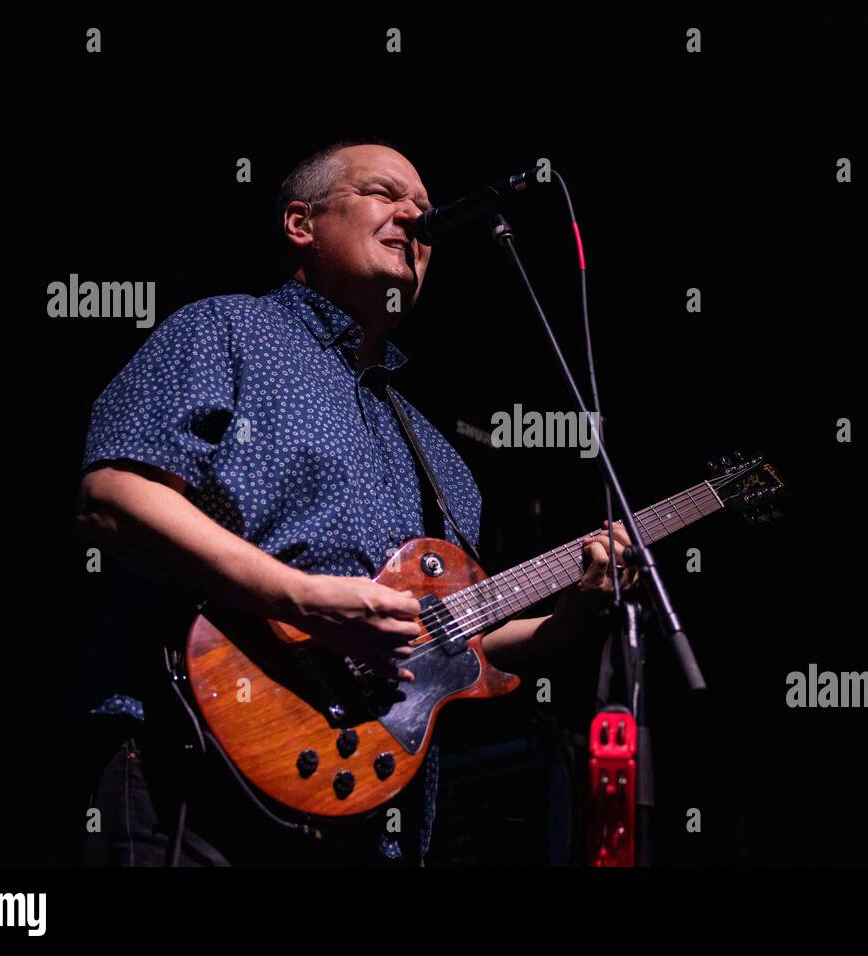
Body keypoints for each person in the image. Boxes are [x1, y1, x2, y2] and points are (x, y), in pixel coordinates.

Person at [75, 140, 636, 865]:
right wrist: (303, 599)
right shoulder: (227, 329)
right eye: (385, 193)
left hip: (367, 810)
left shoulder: (439, 456)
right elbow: (113, 496)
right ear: (301, 223)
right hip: (199, 761)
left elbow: (450, 646)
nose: (417, 216)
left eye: (425, 207)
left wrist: (574, 612)